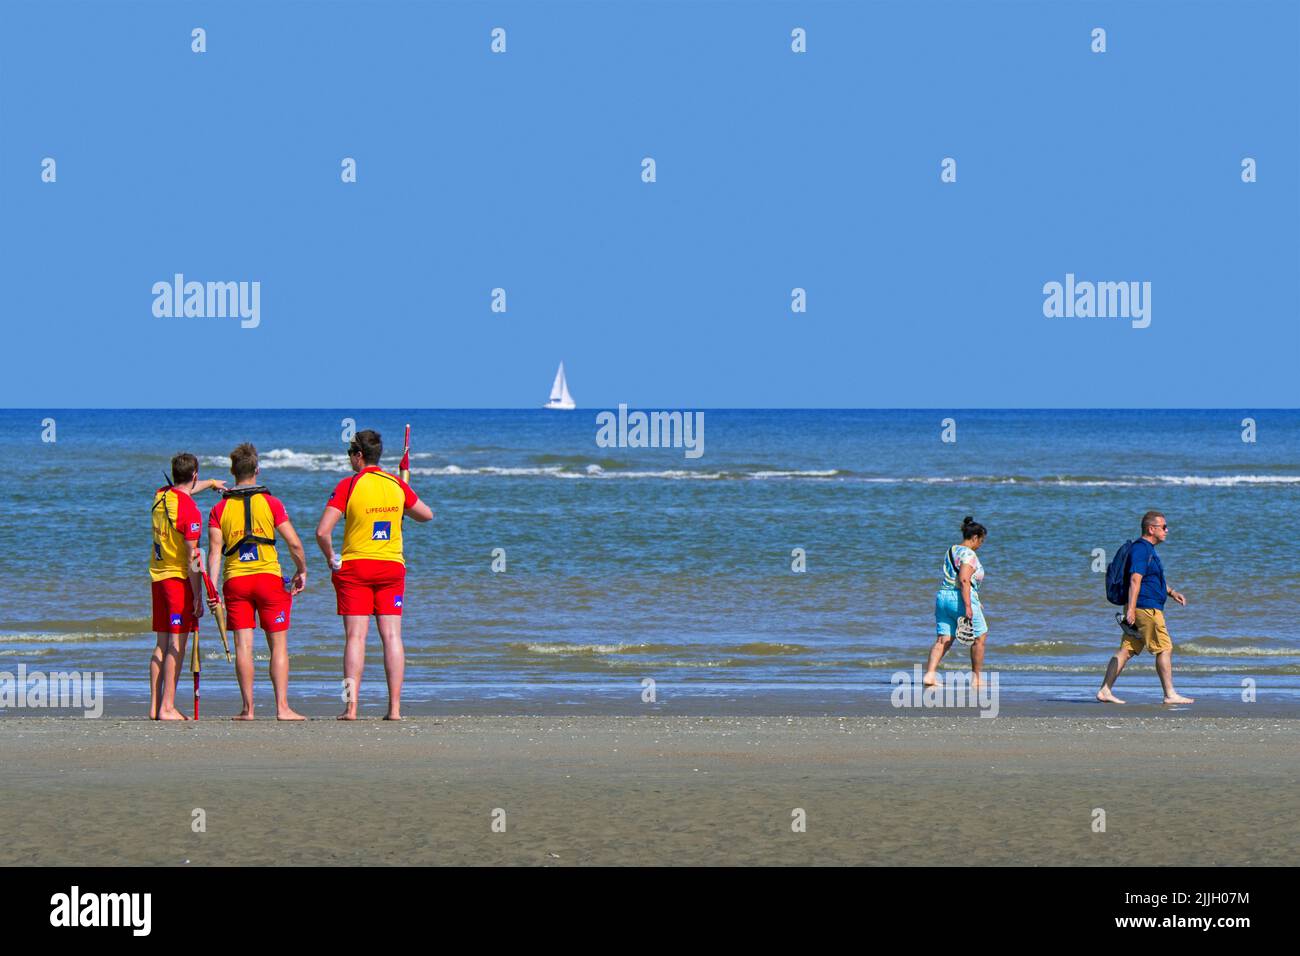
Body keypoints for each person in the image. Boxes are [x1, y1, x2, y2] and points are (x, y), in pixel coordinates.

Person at [315, 429, 433, 720]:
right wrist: (401, 506)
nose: (348, 460)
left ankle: (351, 707)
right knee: (392, 636)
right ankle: (394, 709)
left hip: (355, 566)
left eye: (349, 455)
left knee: (355, 638)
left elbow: (322, 532)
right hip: (391, 565)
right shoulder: (395, 484)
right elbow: (426, 515)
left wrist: (331, 557)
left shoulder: (349, 485)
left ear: (358, 456)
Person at [206, 443, 308, 720]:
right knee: (278, 646)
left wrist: (212, 589)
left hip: (236, 582)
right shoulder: (272, 503)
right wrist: (302, 570)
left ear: (232, 471)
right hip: (269, 580)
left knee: (243, 646)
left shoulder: (219, 509)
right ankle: (282, 708)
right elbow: (295, 544)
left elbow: (214, 553)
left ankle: (247, 709)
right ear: (257, 470)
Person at [149, 452, 225, 720]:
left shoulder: (161, 495)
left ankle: (156, 706)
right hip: (177, 581)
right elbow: (194, 557)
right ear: (194, 475)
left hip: (157, 577)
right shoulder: (190, 510)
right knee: (176, 645)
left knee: (161, 644)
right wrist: (198, 597)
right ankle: (167, 707)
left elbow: (186, 489)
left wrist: (212, 482)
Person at [1097, 511, 1193, 705]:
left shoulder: (1147, 550)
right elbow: (1135, 579)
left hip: (1141, 607)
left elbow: (1150, 579)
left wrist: (1172, 592)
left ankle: (1105, 690)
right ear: (1151, 529)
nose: (1167, 530)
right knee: (1164, 648)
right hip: (1146, 609)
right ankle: (1169, 694)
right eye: (1164, 527)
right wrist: (1131, 610)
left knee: (1126, 650)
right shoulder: (1141, 550)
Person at [923, 516, 989, 688]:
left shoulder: (951, 550)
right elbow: (964, 579)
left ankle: (930, 675)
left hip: (943, 597)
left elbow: (956, 578)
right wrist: (968, 605)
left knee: (943, 638)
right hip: (960, 598)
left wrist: (975, 599)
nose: (980, 545)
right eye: (981, 541)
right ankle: (977, 679)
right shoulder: (970, 555)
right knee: (980, 637)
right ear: (975, 538)